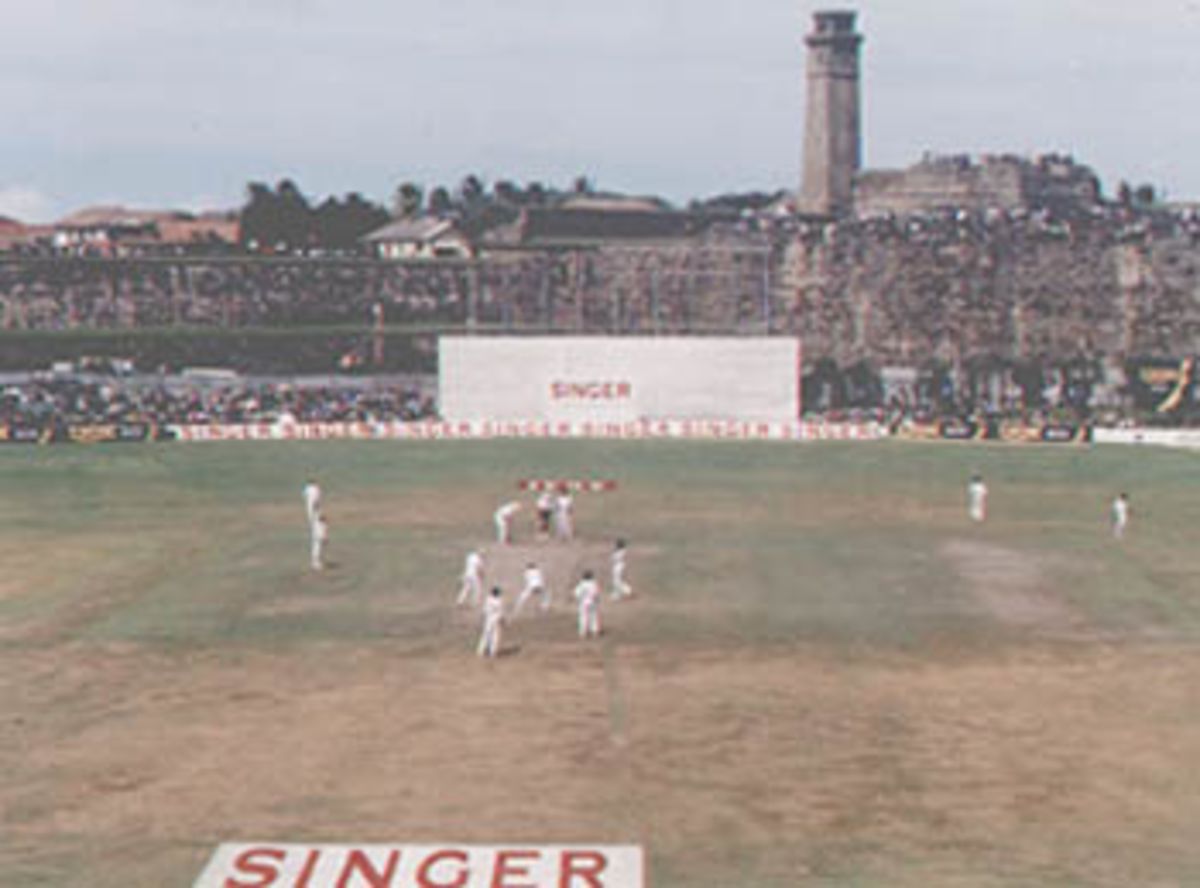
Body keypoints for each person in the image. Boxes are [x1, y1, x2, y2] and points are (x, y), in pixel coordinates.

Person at [477, 587, 505, 658]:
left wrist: (482, 618)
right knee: (495, 636)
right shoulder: (499, 600)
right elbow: (500, 612)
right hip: (495, 620)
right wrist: (502, 620)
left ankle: (480, 651)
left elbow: (484, 610)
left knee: (486, 635)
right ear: (498, 594)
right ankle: (492, 652)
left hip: (488, 619)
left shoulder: (488, 599)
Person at [573, 570, 602, 639]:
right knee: (594, 617)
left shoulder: (581, 584)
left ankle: (583, 632)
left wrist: (578, 599)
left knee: (583, 617)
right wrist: (597, 600)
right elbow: (597, 593)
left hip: (584, 603)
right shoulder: (594, 584)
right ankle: (595, 631)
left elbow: (577, 593)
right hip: (593, 603)